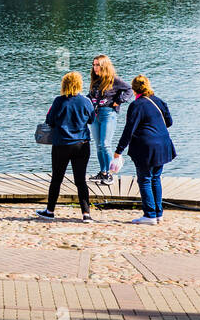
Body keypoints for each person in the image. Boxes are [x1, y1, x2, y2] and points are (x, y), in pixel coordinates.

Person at [114, 75, 176, 225]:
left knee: (145, 179)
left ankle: (149, 215)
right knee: (155, 178)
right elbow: (169, 122)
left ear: (134, 89)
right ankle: (158, 213)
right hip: (163, 145)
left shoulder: (137, 105)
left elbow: (129, 130)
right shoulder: (159, 101)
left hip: (146, 147)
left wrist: (118, 151)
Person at [37, 72, 97, 221]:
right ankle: (86, 213)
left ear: (64, 85)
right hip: (81, 144)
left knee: (57, 178)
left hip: (62, 144)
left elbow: (49, 121)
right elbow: (91, 120)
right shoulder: (86, 101)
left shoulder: (58, 101)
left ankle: (50, 211)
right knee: (80, 180)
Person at [88, 54, 132, 185]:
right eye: (94, 65)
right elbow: (91, 96)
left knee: (105, 144)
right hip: (95, 114)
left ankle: (110, 175)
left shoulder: (114, 80)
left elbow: (129, 89)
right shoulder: (95, 80)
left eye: (98, 65)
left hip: (108, 113)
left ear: (104, 66)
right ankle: (103, 172)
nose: (95, 68)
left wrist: (119, 101)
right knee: (98, 145)